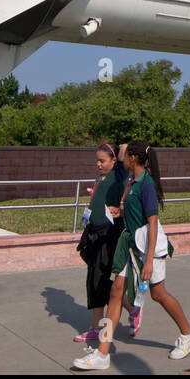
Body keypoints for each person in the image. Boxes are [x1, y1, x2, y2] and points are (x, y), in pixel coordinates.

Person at [73, 140, 190, 370]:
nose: (123, 156)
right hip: (130, 245)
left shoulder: (146, 184)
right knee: (115, 292)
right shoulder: (132, 180)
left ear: (133, 158)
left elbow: (152, 224)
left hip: (148, 247)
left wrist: (148, 261)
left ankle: (188, 334)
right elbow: (135, 211)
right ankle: (102, 353)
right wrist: (119, 211)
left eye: (127, 153)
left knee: (158, 294)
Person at [74, 143, 126, 343]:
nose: (98, 164)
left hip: (107, 234)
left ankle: (100, 326)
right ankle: (127, 308)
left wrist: (121, 145)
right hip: (94, 232)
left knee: (98, 279)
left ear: (114, 161)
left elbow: (122, 154)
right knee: (94, 279)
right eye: (97, 160)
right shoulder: (102, 176)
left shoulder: (118, 175)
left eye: (102, 160)